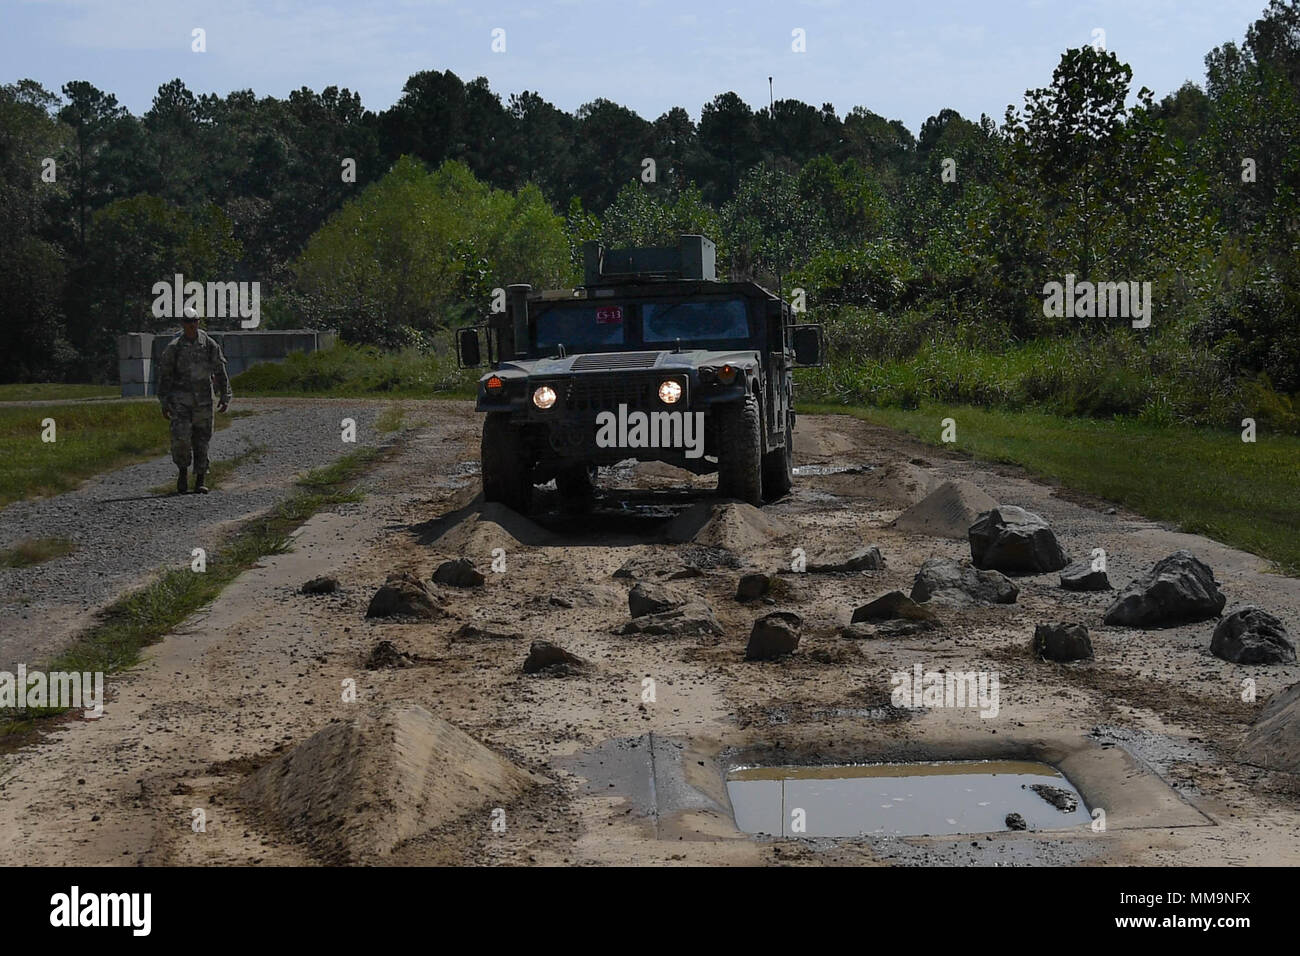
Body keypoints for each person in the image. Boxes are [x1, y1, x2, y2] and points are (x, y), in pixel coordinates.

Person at [157, 306, 232, 494]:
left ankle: (200, 479)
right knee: (181, 439)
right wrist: (164, 401)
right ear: (182, 324)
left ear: (198, 322)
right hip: (180, 401)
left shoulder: (208, 344)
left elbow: (220, 371)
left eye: (194, 321)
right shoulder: (174, 347)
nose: (191, 325)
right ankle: (182, 473)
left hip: (204, 400)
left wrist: (225, 395)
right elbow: (165, 376)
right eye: (188, 322)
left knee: (202, 440)